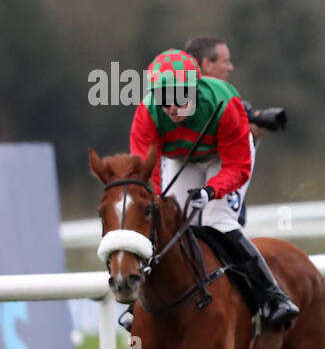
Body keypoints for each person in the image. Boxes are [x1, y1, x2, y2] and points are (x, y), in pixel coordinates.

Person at [128, 48, 299, 328]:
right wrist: (154, 201)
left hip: (224, 158)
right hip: (182, 158)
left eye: (179, 97)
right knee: (170, 222)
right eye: (164, 98)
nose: (171, 107)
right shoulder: (147, 113)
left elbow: (238, 166)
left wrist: (211, 190)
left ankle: (272, 296)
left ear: (195, 91)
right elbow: (145, 169)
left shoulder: (224, 103)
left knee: (216, 220)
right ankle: (143, 306)